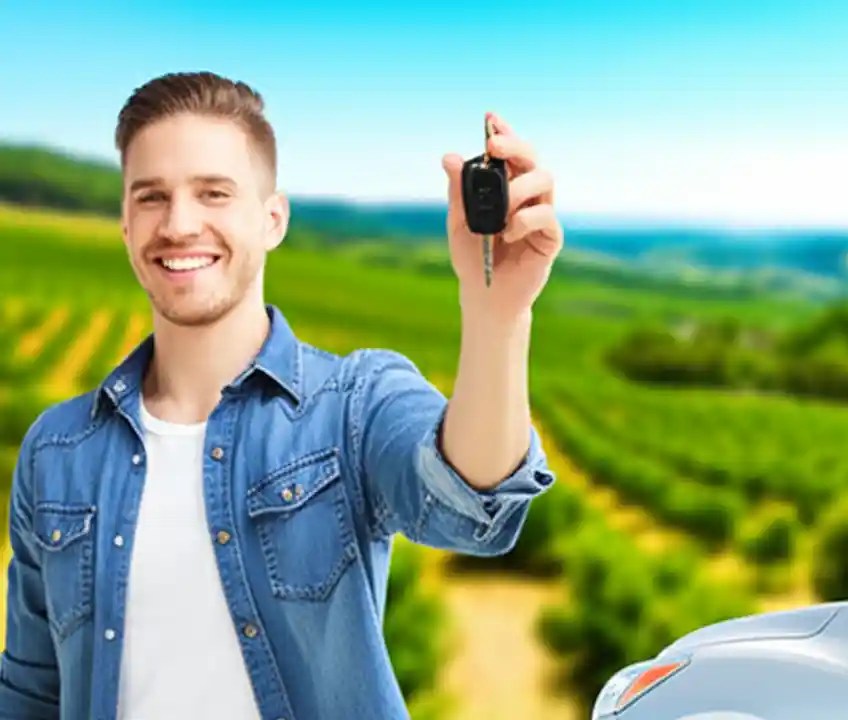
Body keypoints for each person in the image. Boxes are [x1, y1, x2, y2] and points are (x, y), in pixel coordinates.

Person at [0, 71, 561, 719]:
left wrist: (499, 315)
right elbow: (31, 692)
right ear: (126, 226)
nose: (179, 224)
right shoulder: (57, 450)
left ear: (272, 220)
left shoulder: (350, 405)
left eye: (214, 193)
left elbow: (471, 502)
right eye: (151, 197)